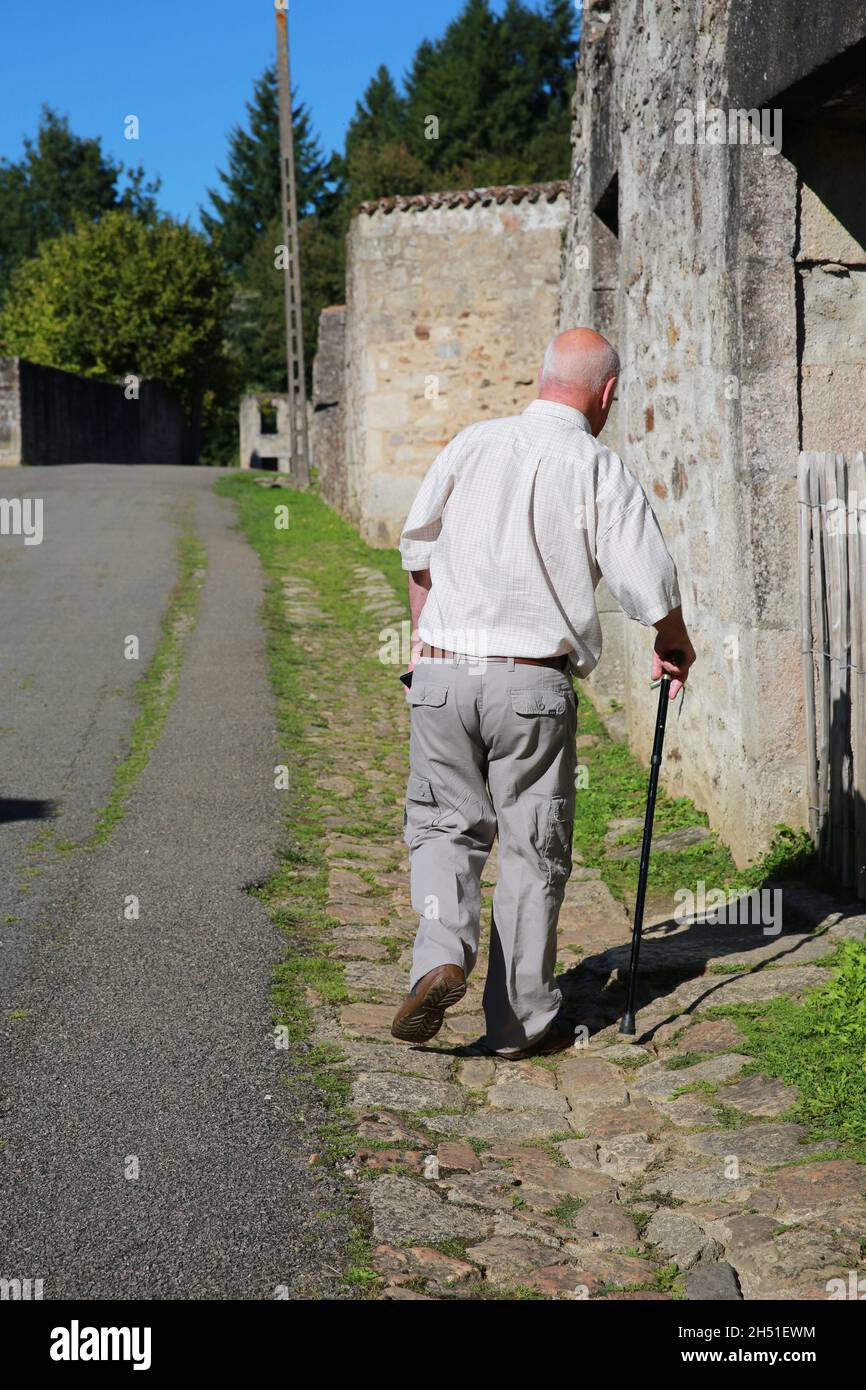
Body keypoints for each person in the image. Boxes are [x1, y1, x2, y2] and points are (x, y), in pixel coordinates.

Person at [390, 327, 695, 1058]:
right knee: (531, 849)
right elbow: (646, 579)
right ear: (608, 393)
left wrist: (427, 643)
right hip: (530, 683)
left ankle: (441, 954)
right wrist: (673, 640)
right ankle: (516, 1023)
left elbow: (416, 549)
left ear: (539, 375)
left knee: (441, 829)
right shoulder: (596, 464)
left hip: (441, 670)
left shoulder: (472, 441)